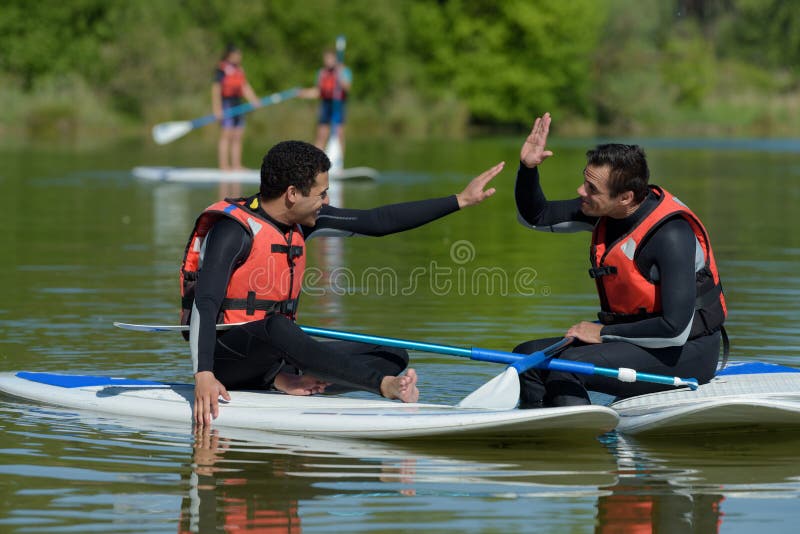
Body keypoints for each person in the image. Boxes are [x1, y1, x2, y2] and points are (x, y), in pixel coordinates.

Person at [182, 140, 504, 425]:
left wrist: (459, 200)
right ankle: (381, 386)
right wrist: (205, 375)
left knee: (393, 355)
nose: (326, 199)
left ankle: (289, 380)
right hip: (227, 358)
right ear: (292, 194)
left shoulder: (303, 221)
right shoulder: (233, 231)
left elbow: (378, 221)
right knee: (278, 327)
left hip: (277, 354)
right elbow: (205, 303)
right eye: (322, 192)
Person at [512, 113, 727, 408]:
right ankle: (541, 438)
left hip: (687, 351)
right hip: (631, 341)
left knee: (567, 368)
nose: (581, 192)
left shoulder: (671, 235)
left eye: (591, 189)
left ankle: (579, 443)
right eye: (585, 182)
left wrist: (602, 332)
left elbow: (675, 329)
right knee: (526, 359)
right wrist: (528, 168)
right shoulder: (605, 209)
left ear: (625, 197)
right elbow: (534, 216)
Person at [212, 45, 261, 171]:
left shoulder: (239, 70)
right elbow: (216, 89)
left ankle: (236, 165)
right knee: (226, 134)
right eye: (237, 54)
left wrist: (253, 99)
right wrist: (217, 109)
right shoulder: (221, 70)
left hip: (238, 103)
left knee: (238, 134)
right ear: (229, 55)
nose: (239, 57)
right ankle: (224, 165)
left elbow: (244, 87)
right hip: (226, 103)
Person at [300, 48, 352, 154]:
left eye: (330, 58)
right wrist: (304, 93)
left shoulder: (344, 71)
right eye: (326, 58)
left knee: (339, 133)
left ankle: (339, 163)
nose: (327, 61)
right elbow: (318, 91)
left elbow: (347, 88)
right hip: (326, 104)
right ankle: (316, 162)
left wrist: (340, 76)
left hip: (338, 104)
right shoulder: (322, 73)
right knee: (321, 134)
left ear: (335, 59)